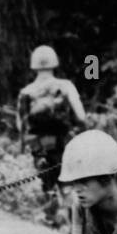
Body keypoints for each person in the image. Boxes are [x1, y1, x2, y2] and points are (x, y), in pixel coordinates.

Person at [17, 45, 87, 215]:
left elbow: (21, 126)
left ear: (34, 65)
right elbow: (81, 117)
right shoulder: (66, 86)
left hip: (39, 148)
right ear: (54, 63)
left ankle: (52, 224)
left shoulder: (26, 92)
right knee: (70, 187)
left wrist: (23, 147)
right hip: (65, 146)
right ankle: (74, 226)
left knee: (46, 189)